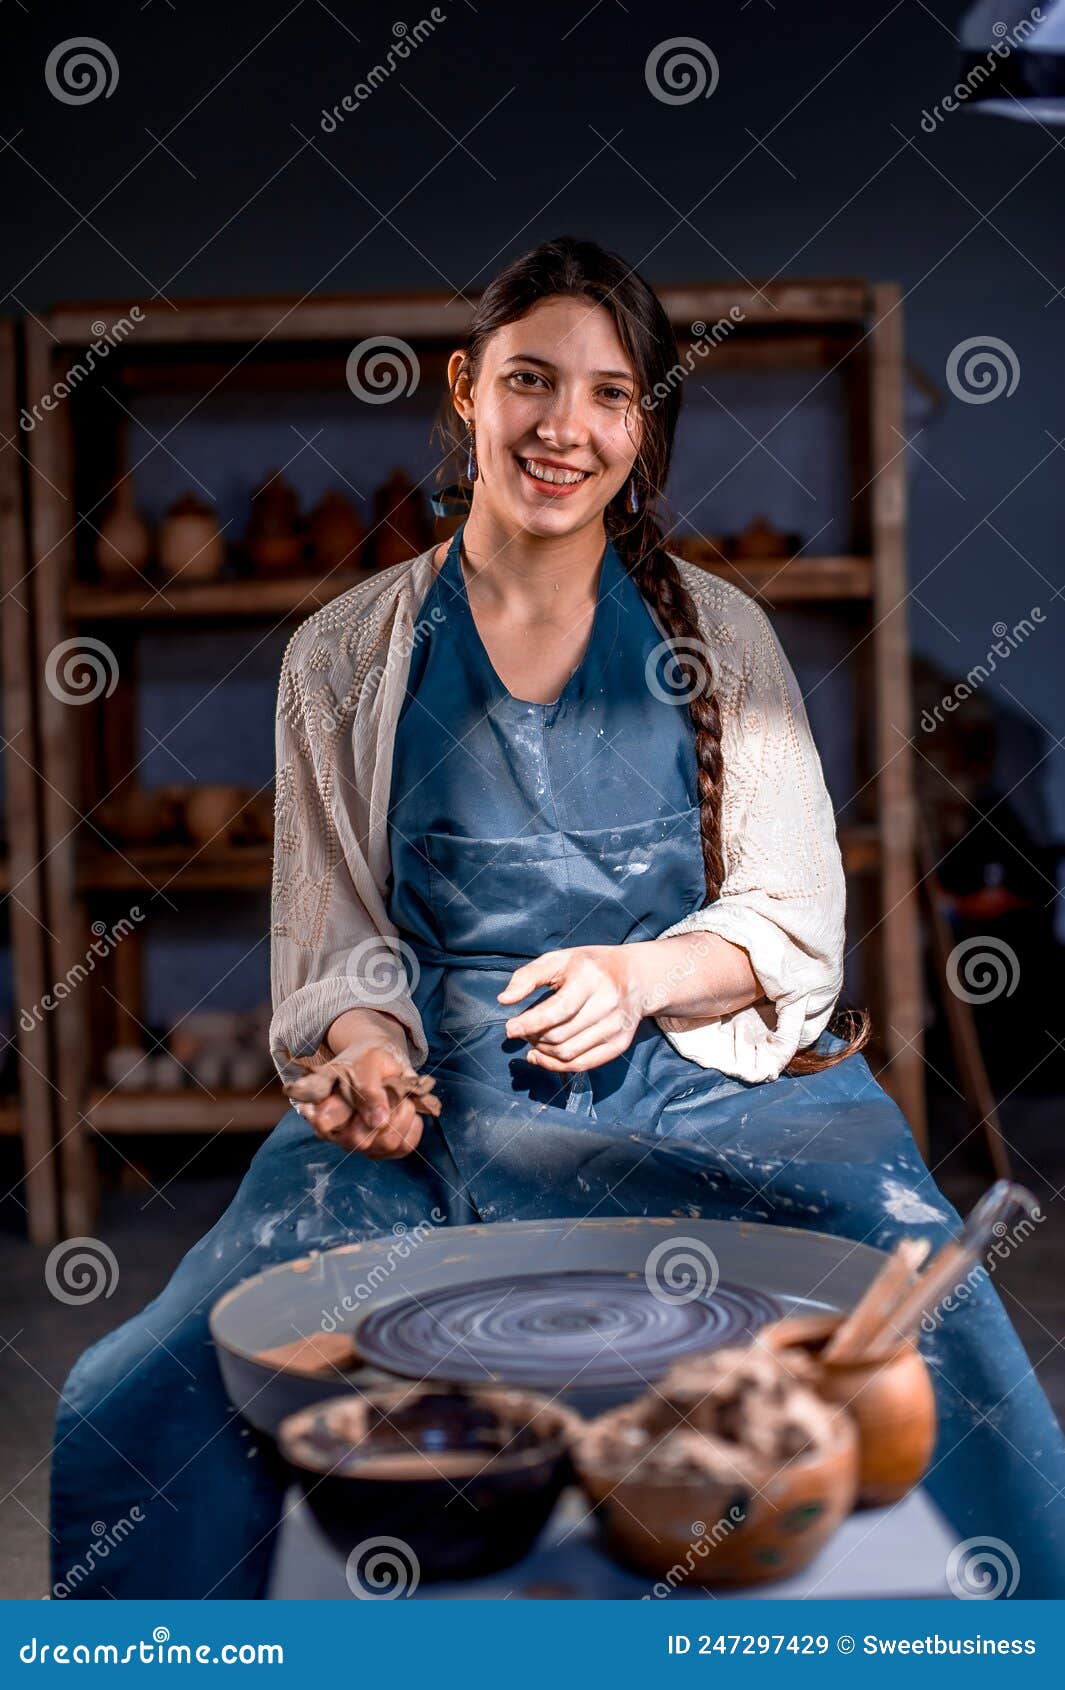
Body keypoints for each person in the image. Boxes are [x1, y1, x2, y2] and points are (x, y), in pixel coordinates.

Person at [51, 236, 1065, 1599]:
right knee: (154, 1377)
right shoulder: (343, 653)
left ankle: (1006, 1641)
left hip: (702, 1084)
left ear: (642, 429)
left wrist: (641, 976)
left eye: (609, 394)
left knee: (921, 1283)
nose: (562, 427)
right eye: (530, 379)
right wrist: (361, 1047)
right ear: (467, 389)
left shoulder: (722, 639)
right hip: (435, 1107)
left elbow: (792, 921)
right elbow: (333, 937)